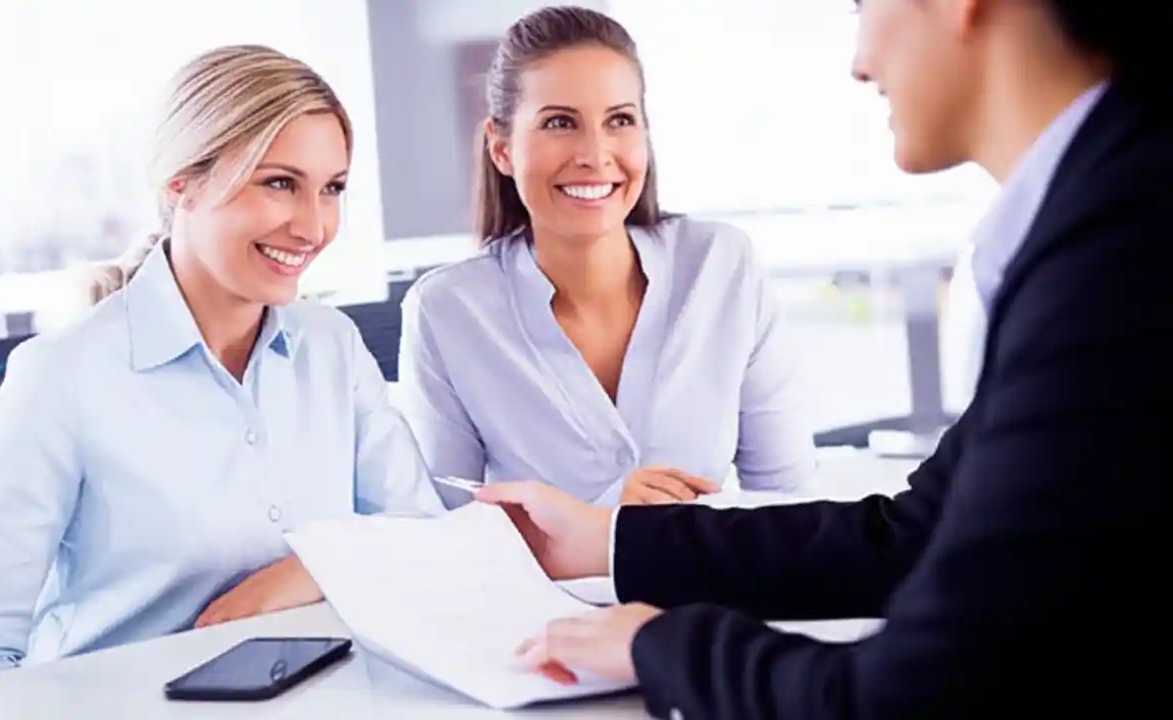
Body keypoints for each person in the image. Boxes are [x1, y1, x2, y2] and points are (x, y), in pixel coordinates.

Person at [478, 1, 1172, 717]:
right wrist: (609, 539)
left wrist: (660, 645)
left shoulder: (1126, 249)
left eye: (862, 5)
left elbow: (923, 692)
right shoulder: (1102, 212)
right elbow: (912, 536)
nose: (859, 60)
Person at [0, 45, 443, 688]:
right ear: (181, 184)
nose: (314, 226)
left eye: (331, 189)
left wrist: (304, 572)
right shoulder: (61, 379)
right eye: (279, 183)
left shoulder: (331, 345)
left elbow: (424, 542)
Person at [398, 6, 815, 508]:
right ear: (501, 147)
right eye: (559, 123)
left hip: (715, 586)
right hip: (541, 591)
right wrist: (603, 517)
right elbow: (443, 532)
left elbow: (790, 503)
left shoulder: (722, 265)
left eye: (619, 120)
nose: (595, 154)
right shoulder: (448, 311)